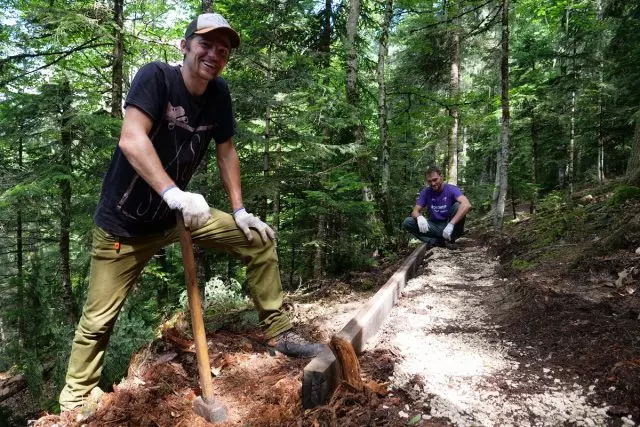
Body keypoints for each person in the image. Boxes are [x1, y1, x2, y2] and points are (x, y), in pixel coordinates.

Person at [59, 13, 324, 412]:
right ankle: (76, 400)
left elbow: (226, 150)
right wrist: (173, 192)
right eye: (205, 45)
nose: (214, 55)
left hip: (178, 217)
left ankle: (278, 331)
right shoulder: (156, 79)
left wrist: (239, 210)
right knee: (97, 320)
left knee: (258, 240)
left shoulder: (218, 94)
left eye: (223, 50)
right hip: (125, 225)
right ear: (184, 46)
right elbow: (132, 139)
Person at [403, 166, 472, 248]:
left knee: (458, 206)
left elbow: (467, 205)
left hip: (451, 226)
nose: (433, 183)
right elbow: (415, 211)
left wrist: (451, 224)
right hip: (435, 226)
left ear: (441, 177)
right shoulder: (426, 192)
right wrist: (419, 218)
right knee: (408, 222)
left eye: (435, 180)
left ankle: (450, 239)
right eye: (430, 181)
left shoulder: (451, 189)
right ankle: (436, 241)